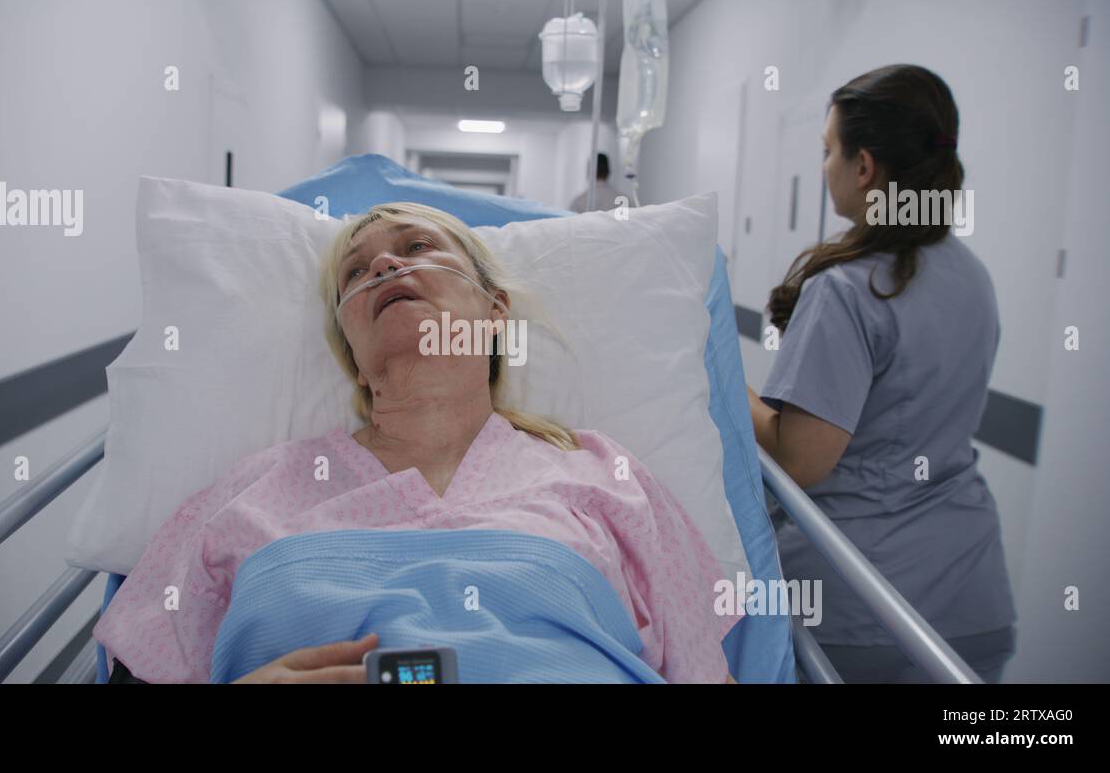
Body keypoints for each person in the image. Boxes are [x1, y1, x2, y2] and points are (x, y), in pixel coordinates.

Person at [100, 201, 739, 683]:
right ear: (349, 343)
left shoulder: (605, 474)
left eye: (418, 246)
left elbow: (706, 672)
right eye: (356, 272)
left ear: (495, 311)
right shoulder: (256, 490)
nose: (383, 265)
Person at [746, 64, 1017, 683]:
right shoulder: (970, 275)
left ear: (863, 165)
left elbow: (804, 458)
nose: (823, 169)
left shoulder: (848, 289)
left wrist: (729, 390)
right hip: (970, 597)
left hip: (866, 608)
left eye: (827, 151)